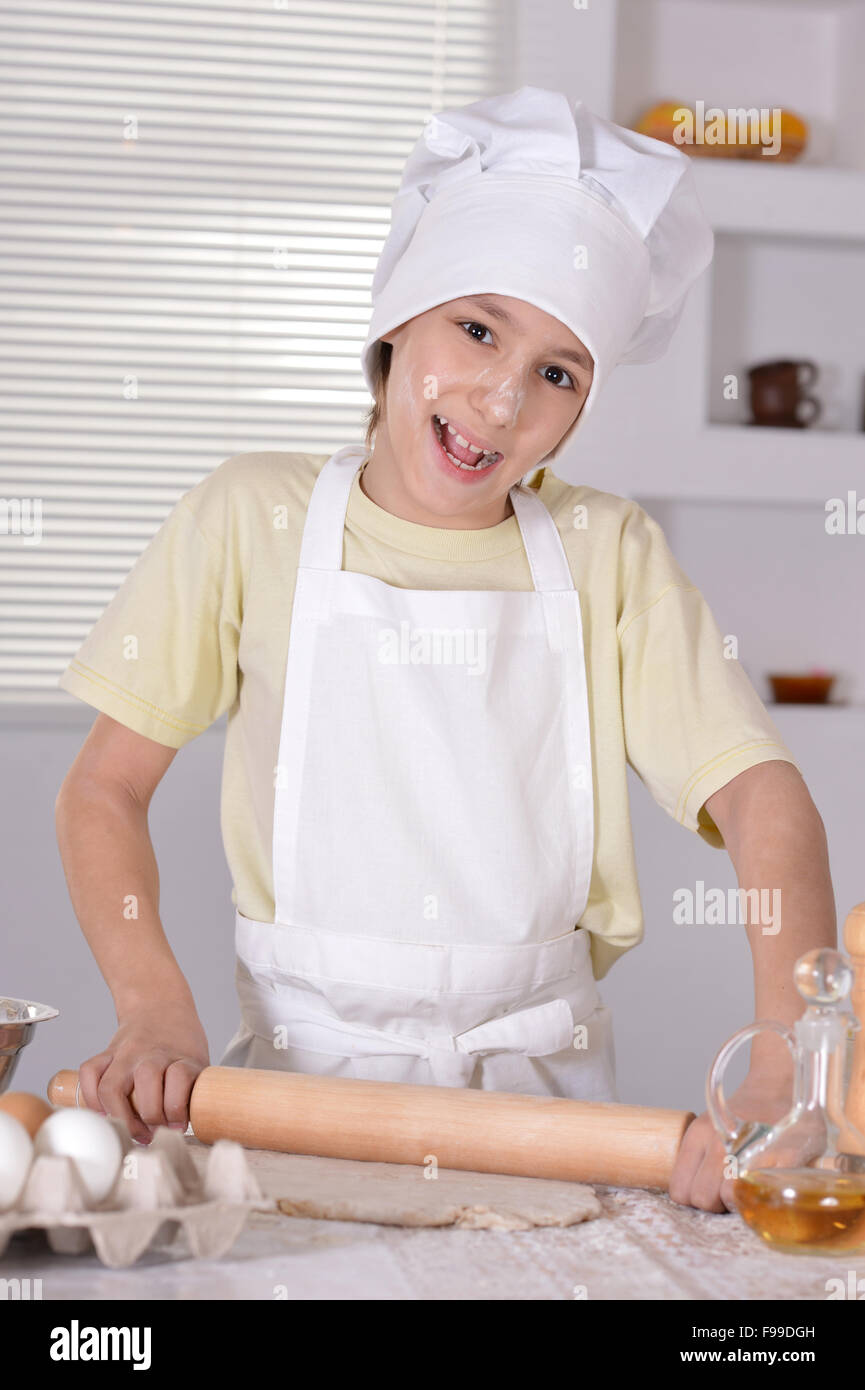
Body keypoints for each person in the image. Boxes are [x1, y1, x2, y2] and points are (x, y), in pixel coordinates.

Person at [55, 88, 836, 1211]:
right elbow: (103, 789)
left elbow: (767, 802)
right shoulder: (250, 515)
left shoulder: (605, 551)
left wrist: (784, 1051)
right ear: (397, 315)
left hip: (546, 1119)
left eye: (558, 372)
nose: (500, 398)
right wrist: (150, 1003)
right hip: (294, 1110)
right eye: (475, 328)